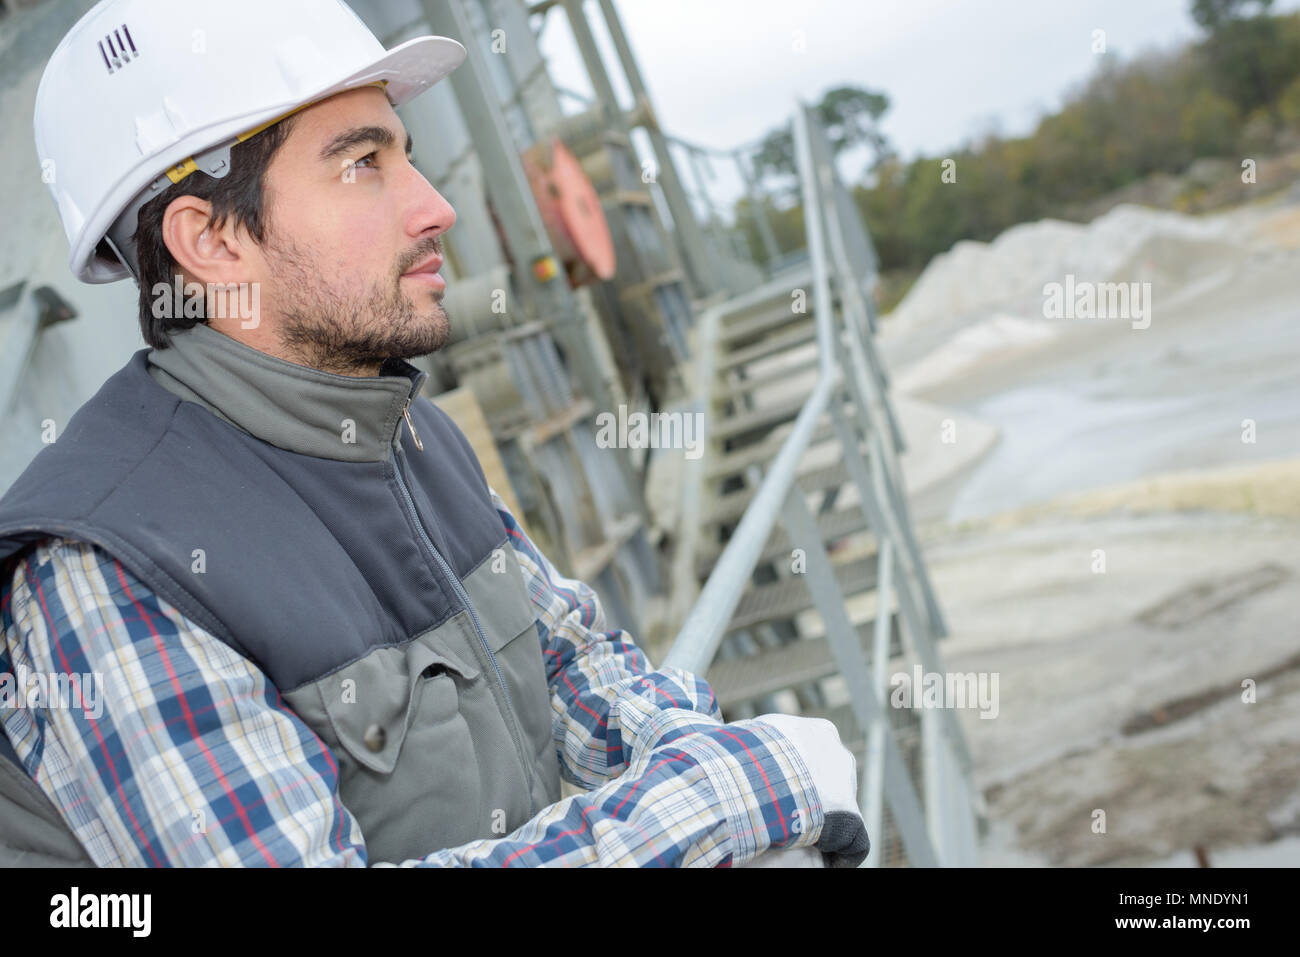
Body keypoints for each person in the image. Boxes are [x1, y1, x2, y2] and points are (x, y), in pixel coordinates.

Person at [0, 0, 869, 868]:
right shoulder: (105, 570)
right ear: (214, 242)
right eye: (362, 164)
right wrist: (724, 797)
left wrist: (701, 751)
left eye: (404, 153)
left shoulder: (411, 434)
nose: (437, 207)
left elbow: (575, 666)